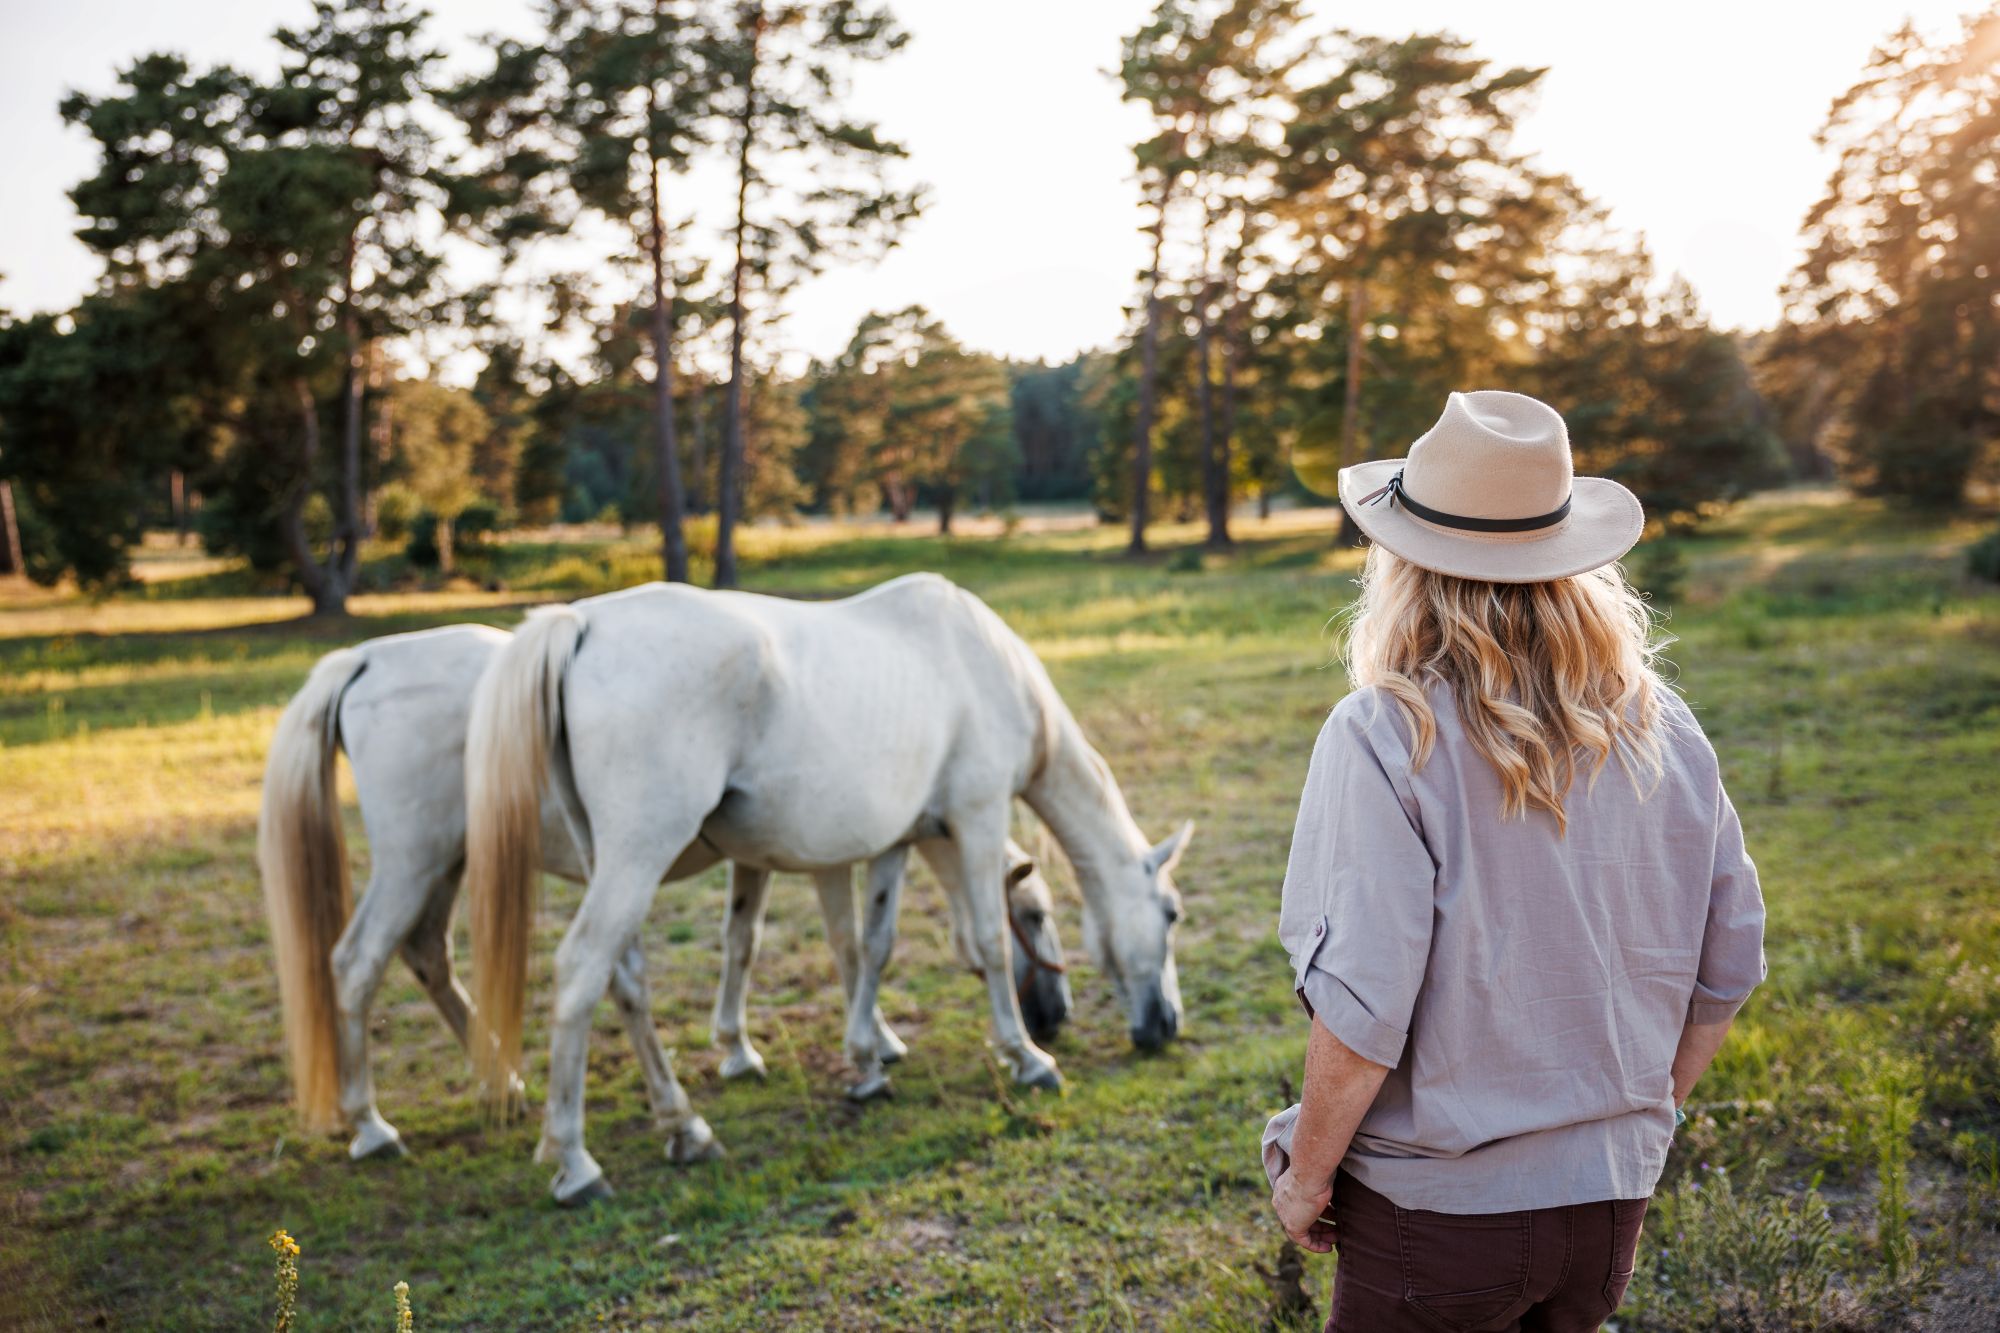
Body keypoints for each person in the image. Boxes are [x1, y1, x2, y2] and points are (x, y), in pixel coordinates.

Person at [1264, 390, 1766, 1332]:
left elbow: (1366, 1002)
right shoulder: (1665, 726)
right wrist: (1622, 1126)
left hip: (1434, 1217)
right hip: (1609, 1209)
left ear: (1404, 566)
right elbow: (1732, 957)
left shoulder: (1384, 734)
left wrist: (1308, 1177)